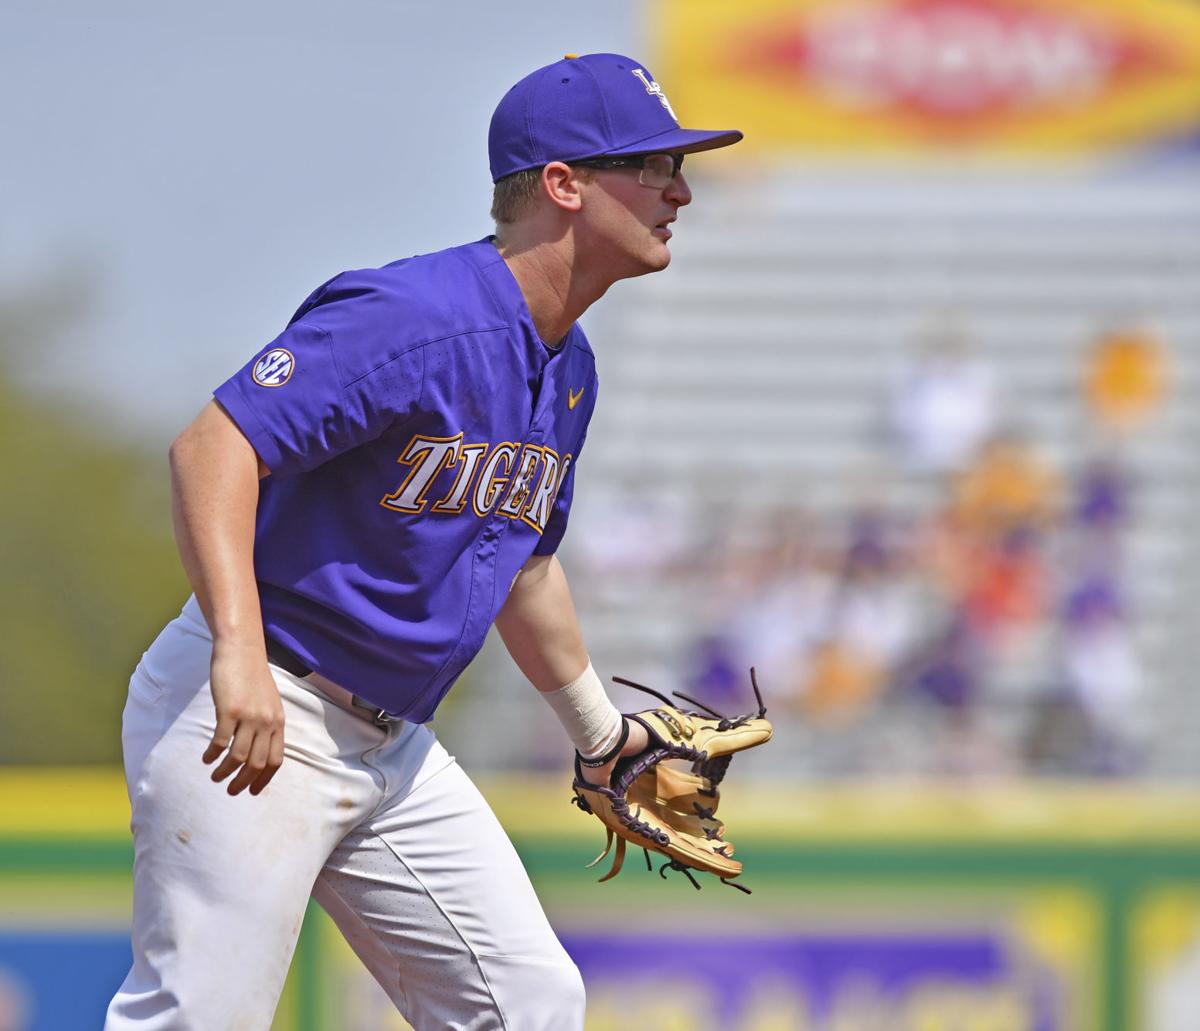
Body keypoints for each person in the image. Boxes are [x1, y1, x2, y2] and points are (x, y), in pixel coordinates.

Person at [105, 53, 741, 1030]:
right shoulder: (416, 316)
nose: (679, 190)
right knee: (201, 1018)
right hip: (256, 706)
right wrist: (237, 649)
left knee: (530, 1001)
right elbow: (215, 444)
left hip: (392, 743)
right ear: (563, 185)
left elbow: (523, 562)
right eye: (651, 165)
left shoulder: (568, 365)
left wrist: (598, 734)